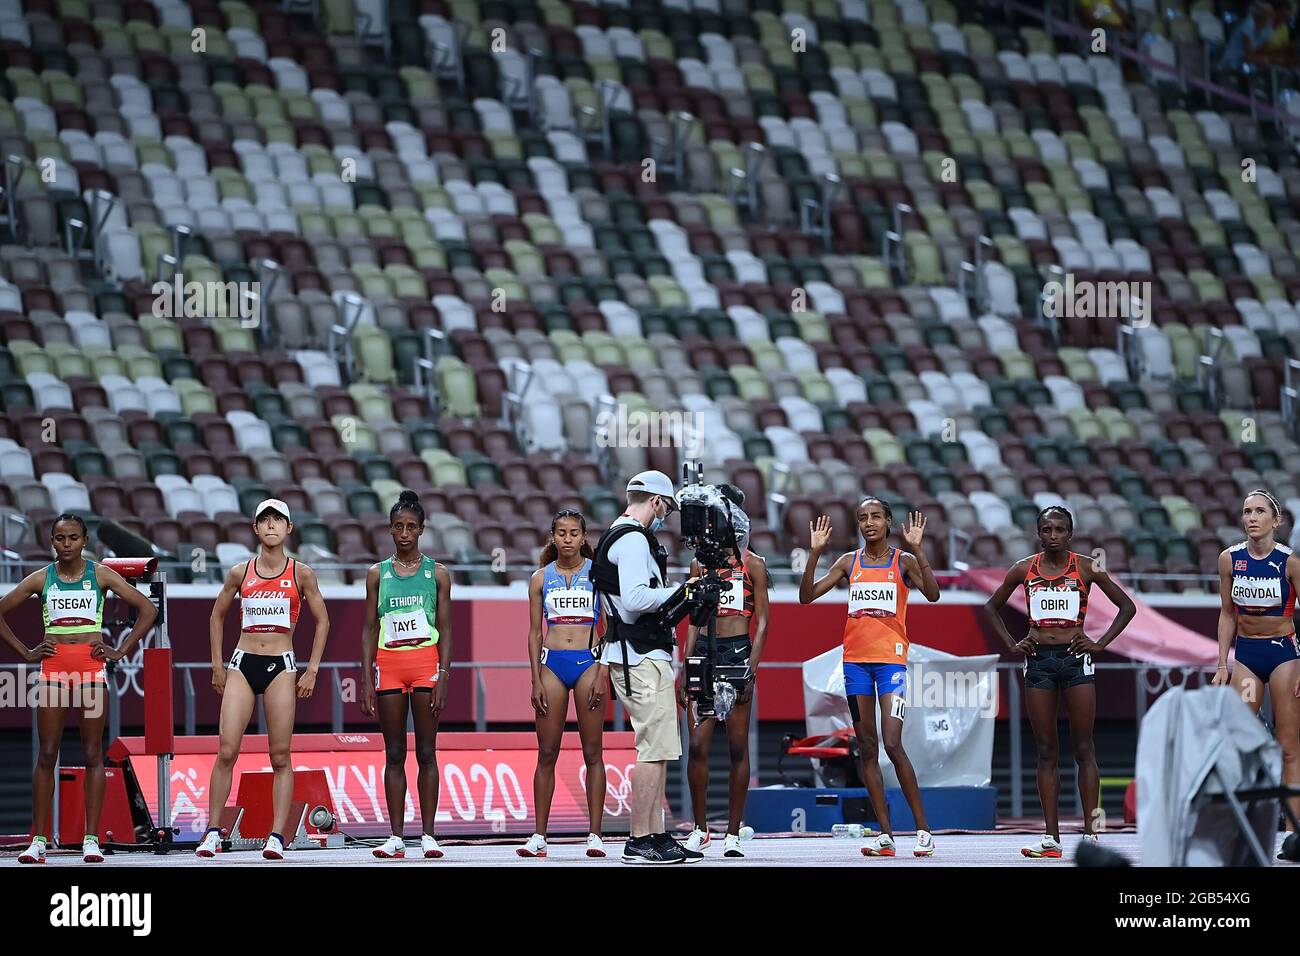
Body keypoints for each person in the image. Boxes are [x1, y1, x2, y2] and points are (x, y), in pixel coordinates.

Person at [0, 514, 158, 864]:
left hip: (90, 669)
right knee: (47, 754)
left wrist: (121, 650)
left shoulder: (99, 573)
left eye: (73, 537)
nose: (66, 543)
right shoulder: (42, 578)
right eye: (59, 538)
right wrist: (26, 652)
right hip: (53, 668)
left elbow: (147, 609)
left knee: (91, 754)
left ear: (84, 540)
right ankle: (38, 840)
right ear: (52, 542)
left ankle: (90, 839)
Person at [983, 505, 1135, 859]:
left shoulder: (1086, 566)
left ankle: (1092, 833)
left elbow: (1127, 606)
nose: (1053, 535)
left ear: (1071, 533)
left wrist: (1099, 643)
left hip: (1076, 659)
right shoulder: (1024, 568)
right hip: (1038, 662)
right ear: (1039, 533)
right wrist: (1011, 643)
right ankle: (1050, 837)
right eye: (1047, 530)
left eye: (1060, 530)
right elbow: (991, 607)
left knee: (1084, 747)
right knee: (1046, 749)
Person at [799, 499, 941, 858]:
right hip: (855, 666)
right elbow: (805, 597)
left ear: (889, 521)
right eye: (862, 518)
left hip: (891, 665)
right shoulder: (849, 562)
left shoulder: (903, 561)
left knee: (893, 744)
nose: (869, 523)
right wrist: (815, 553)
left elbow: (934, 595)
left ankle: (923, 830)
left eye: (876, 516)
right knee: (867, 748)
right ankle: (886, 835)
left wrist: (918, 549)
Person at [196, 499, 329, 860]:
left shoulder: (301, 573)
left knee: (281, 755)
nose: (271, 526)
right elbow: (216, 616)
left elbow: (323, 620)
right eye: (264, 520)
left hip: (281, 666)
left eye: (278, 520)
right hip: (243, 663)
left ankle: (275, 835)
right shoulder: (240, 572)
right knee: (226, 750)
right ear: (255, 529)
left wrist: (312, 669)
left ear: (289, 528)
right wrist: (217, 664)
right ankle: (212, 831)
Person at [589, 470, 702, 864]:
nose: (664, 517)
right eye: (666, 509)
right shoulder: (634, 539)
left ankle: (655, 834)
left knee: (659, 749)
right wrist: (685, 591)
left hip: (635, 652)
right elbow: (637, 598)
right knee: (652, 751)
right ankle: (639, 839)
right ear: (655, 501)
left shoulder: (617, 536)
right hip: (638, 656)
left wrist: (682, 597)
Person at [360, 490, 453, 860]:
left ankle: (428, 835)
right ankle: (395, 836)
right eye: (398, 527)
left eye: (411, 527)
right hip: (391, 665)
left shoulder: (438, 574)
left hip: (425, 664)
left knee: (427, 753)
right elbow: (369, 628)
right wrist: (367, 678)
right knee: (394, 752)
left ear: (421, 530)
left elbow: (446, 628)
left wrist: (443, 674)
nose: (404, 533)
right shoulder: (376, 574)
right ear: (389, 530)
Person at [681, 484, 769, 859]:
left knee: (736, 746)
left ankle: (732, 832)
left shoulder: (753, 564)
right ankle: (701, 830)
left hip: (737, 653)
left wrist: (753, 664)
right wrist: (684, 666)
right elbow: (694, 622)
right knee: (698, 746)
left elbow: (763, 621)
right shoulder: (700, 565)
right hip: (704, 653)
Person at [518, 509, 607, 859]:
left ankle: (595, 835)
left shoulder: (599, 575)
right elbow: (534, 631)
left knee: (592, 752)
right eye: (561, 532)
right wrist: (535, 678)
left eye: (574, 533)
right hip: (552, 665)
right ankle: (539, 835)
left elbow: (611, 626)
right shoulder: (540, 578)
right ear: (552, 537)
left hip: (588, 663)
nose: (567, 539)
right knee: (547, 753)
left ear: (583, 538)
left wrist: (602, 670)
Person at [1212, 489, 1300, 832]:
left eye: (1260, 511)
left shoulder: (1290, 562)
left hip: (1283, 655)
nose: (1251, 517)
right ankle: (1240, 827)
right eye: (1247, 511)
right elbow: (1226, 613)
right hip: (1247, 655)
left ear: (1275, 521)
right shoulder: (1229, 559)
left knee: (1289, 746)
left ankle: (1293, 832)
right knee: (1238, 739)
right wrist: (1222, 662)